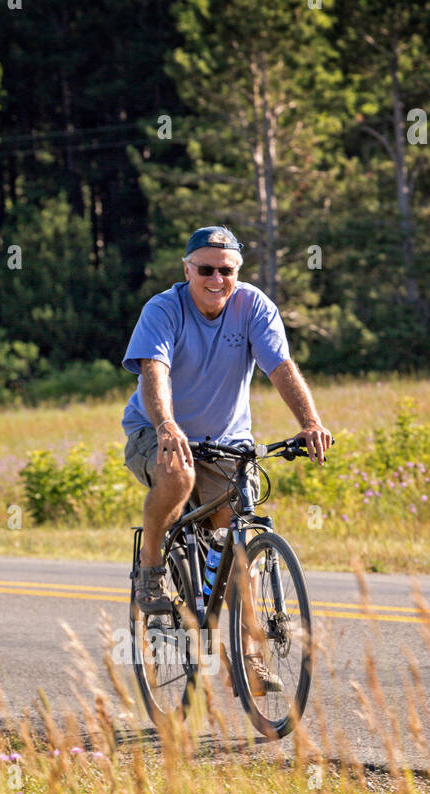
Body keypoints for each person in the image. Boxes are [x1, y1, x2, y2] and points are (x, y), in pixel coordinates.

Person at [121, 225, 332, 691]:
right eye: (206, 269)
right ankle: (152, 571)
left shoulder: (253, 306)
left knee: (237, 544)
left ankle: (248, 657)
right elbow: (154, 371)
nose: (216, 279)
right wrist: (166, 426)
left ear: (238, 270)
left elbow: (279, 366)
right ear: (187, 269)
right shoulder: (163, 308)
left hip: (225, 443)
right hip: (155, 432)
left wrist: (310, 422)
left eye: (227, 270)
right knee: (176, 477)